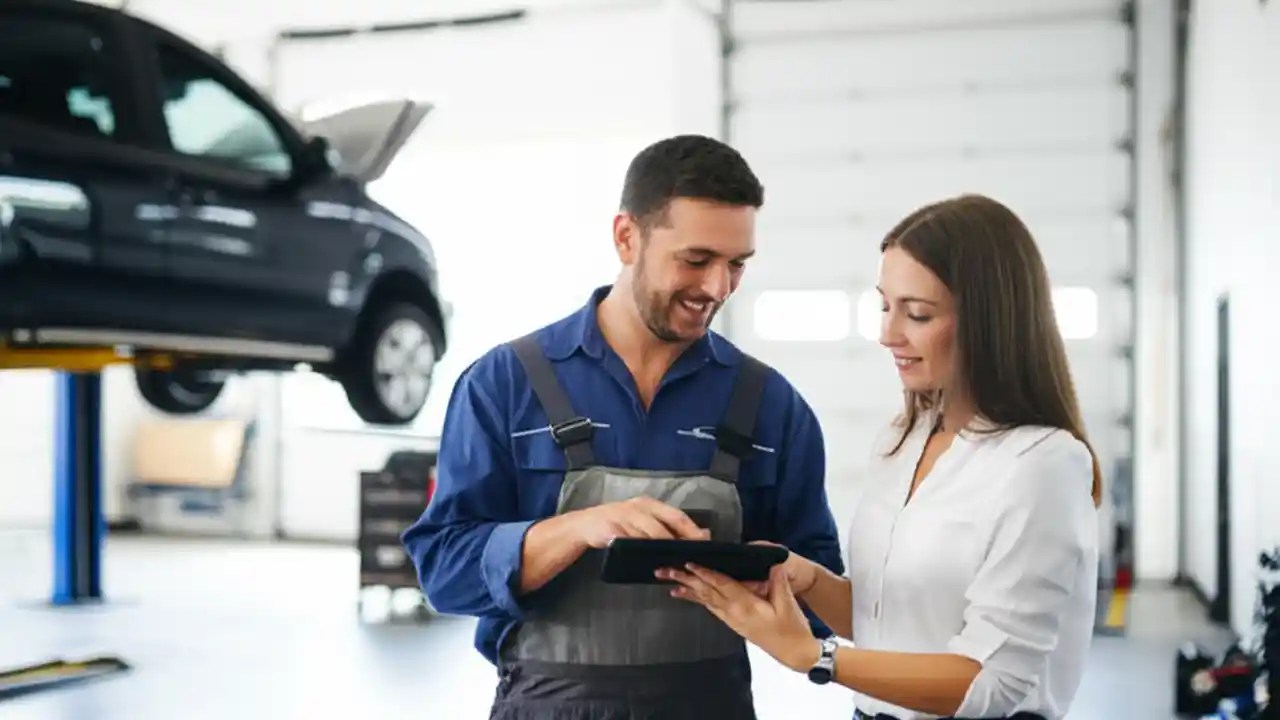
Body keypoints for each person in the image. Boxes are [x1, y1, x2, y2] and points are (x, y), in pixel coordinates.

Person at [400, 134, 845, 719]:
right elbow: (444, 573)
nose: (717, 288)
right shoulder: (505, 386)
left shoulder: (771, 407)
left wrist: (773, 588)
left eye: (736, 265)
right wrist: (579, 530)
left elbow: (822, 598)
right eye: (695, 260)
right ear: (626, 236)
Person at [662, 194, 1102, 720]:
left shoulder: (1041, 465)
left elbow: (991, 682)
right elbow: (887, 620)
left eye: (916, 314)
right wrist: (805, 579)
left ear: (988, 321)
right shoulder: (904, 439)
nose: (887, 334)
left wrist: (815, 657)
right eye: (885, 306)